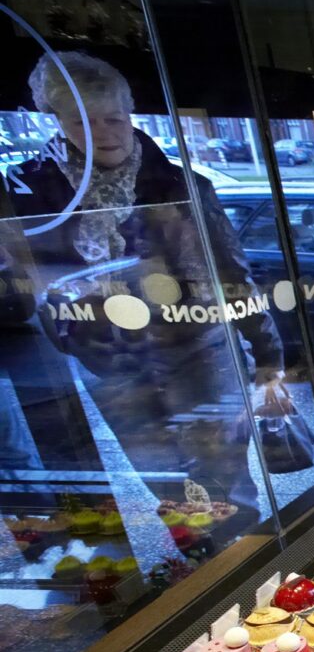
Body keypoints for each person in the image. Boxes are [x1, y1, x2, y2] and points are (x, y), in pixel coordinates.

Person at [4, 51, 284, 523]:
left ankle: (246, 568)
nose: (103, 134)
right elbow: (25, 279)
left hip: (198, 349)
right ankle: (200, 568)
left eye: (112, 119)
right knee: (164, 483)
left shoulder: (179, 184)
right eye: (82, 122)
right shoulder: (28, 192)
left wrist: (270, 358)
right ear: (56, 120)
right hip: (110, 362)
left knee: (224, 478)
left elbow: (233, 277)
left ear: (129, 113)